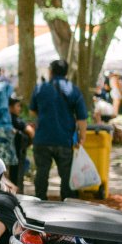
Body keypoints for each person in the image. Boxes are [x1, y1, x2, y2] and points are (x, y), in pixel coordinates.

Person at [30, 59, 88, 200]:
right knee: (66, 173)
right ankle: (66, 202)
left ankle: (39, 201)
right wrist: (82, 136)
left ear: (50, 71)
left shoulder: (40, 88)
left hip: (42, 138)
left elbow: (32, 111)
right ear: (66, 72)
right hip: (64, 139)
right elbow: (82, 118)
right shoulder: (73, 89)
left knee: (42, 172)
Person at [8, 96, 33, 187]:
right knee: (17, 177)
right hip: (18, 152)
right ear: (10, 107)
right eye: (17, 106)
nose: (20, 109)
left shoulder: (6, 120)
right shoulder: (15, 120)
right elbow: (30, 131)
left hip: (14, 152)